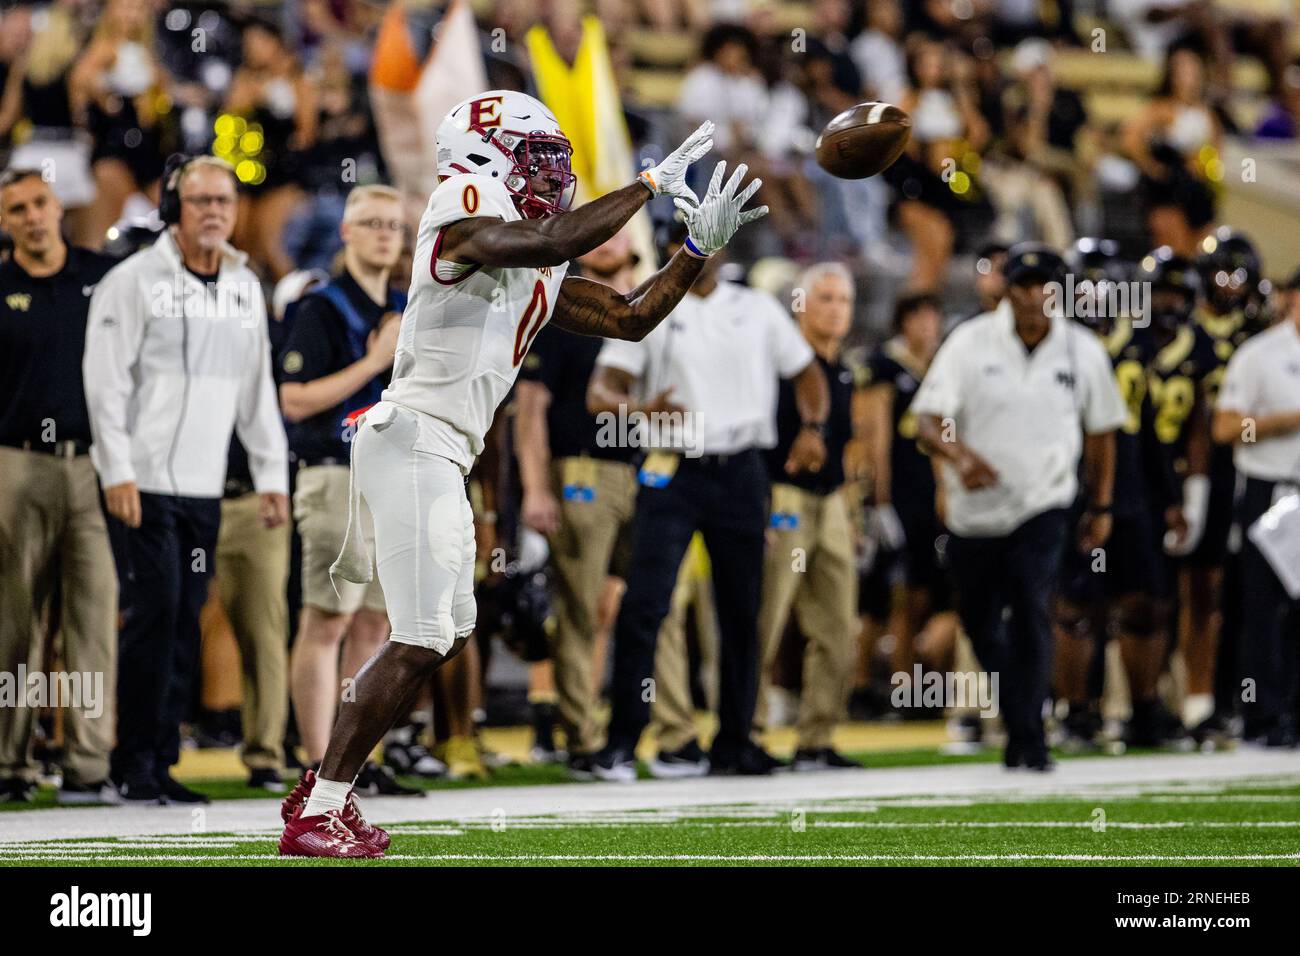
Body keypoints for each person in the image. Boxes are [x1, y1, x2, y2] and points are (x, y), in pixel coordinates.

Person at [278, 92, 766, 858]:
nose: (553, 173)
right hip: (411, 436)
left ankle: (324, 789)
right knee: (423, 631)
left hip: (443, 448)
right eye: (539, 157)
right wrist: (643, 186)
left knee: (453, 629)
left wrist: (695, 253)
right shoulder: (465, 203)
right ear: (482, 151)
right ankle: (322, 804)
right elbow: (543, 240)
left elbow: (628, 315)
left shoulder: (534, 251)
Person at [586, 222, 829, 781]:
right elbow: (601, 391)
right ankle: (622, 741)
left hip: (742, 469)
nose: (697, 250)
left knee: (743, 611)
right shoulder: (649, 304)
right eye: (684, 240)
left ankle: (736, 740)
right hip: (672, 470)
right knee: (645, 605)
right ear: (671, 247)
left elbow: (807, 370)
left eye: (706, 239)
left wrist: (813, 426)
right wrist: (634, 413)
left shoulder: (758, 308)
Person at [83, 155, 290, 804]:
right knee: (153, 613)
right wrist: (116, 468)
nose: (212, 213)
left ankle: (161, 761)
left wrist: (271, 474)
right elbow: (105, 383)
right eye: (198, 201)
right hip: (140, 481)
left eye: (222, 202)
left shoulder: (241, 285)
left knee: (184, 619)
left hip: (203, 484)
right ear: (174, 207)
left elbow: (257, 390)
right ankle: (133, 762)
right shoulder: (134, 280)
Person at [913, 243, 1126, 771]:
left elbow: (1101, 435)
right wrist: (960, 457)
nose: (1034, 295)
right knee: (978, 619)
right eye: (1025, 284)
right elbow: (927, 419)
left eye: (1044, 284)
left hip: (1045, 502)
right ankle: (1019, 709)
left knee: (1033, 607)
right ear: (1008, 288)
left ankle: (1028, 736)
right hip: (975, 510)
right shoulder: (969, 342)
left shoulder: (1083, 350)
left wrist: (1099, 505)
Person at [277, 184, 417, 796]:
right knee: (328, 620)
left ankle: (352, 762)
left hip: (389, 475)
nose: (386, 233)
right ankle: (317, 765)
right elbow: (294, 399)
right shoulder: (319, 306)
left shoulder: (404, 304)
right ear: (347, 232)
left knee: (373, 627)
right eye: (372, 222)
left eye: (394, 224)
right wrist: (372, 362)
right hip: (334, 469)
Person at [0, 169, 119, 804]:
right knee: (14, 624)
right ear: (6, 221)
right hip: (15, 464)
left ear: (57, 206)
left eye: (38, 203)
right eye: (16, 209)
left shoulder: (106, 277)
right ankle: (9, 763)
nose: (31, 216)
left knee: (92, 620)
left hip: (96, 463)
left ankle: (87, 765)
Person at [514, 232, 641, 774]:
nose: (615, 242)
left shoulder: (646, 310)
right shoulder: (563, 311)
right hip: (582, 468)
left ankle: (624, 732)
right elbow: (530, 409)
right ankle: (582, 739)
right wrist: (537, 487)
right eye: (604, 232)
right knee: (580, 608)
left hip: (640, 471)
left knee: (622, 608)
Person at [755, 261, 860, 769]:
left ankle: (817, 738)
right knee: (766, 621)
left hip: (832, 500)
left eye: (843, 300)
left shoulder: (842, 368)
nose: (837, 310)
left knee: (839, 626)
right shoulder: (779, 363)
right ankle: (748, 732)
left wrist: (856, 510)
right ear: (800, 304)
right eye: (826, 298)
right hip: (784, 499)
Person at [1211, 269, 1300, 748]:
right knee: (1264, 608)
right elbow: (1226, 430)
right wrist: (1285, 421)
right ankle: (1262, 715)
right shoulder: (1259, 355)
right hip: (1272, 490)